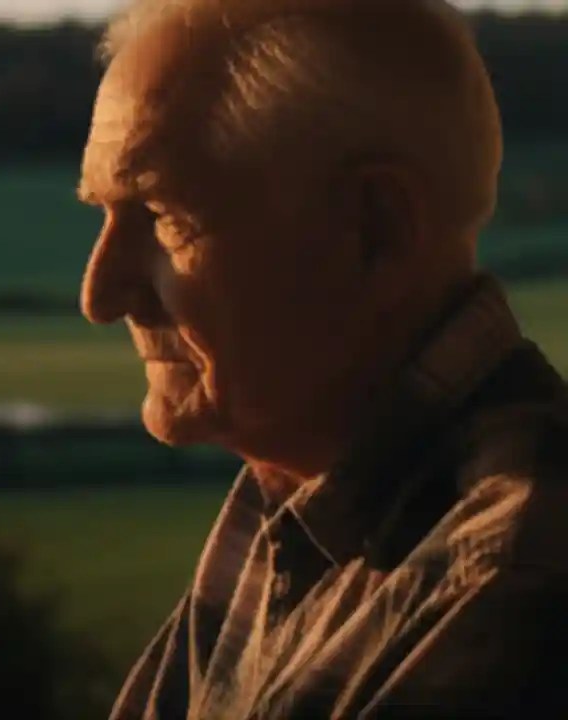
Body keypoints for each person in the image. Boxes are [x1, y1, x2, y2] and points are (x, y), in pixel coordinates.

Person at [76, 0, 568, 717]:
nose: (101, 293)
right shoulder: (292, 499)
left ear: (375, 230)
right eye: (101, 213)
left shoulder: (511, 579)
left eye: (162, 216)